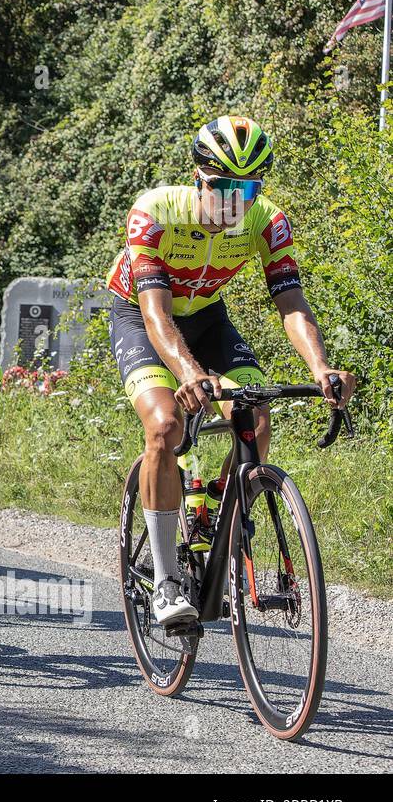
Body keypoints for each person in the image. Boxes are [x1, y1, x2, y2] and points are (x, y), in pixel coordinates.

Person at [104, 115, 355, 624]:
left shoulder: (267, 219)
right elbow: (156, 313)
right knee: (165, 426)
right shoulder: (155, 211)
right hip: (142, 314)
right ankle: (167, 579)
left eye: (247, 188)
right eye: (223, 187)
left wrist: (322, 366)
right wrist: (190, 373)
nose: (233, 202)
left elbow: (291, 303)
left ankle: (217, 511)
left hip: (208, 318)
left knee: (255, 415)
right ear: (199, 178)